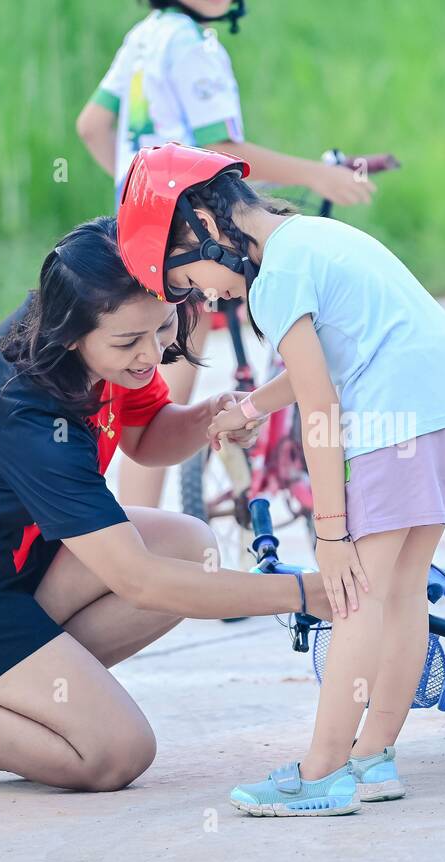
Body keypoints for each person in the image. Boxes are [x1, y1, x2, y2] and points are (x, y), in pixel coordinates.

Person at [0, 215, 331, 801]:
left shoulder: (94, 336)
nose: (150, 355)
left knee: (190, 547)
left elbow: (147, 433)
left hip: (10, 561)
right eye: (128, 342)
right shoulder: (29, 410)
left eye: (161, 329)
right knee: (116, 754)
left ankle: (2, 716)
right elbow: (139, 580)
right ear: (70, 333)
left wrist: (212, 416)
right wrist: (306, 594)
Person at [117, 143, 445, 816]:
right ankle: (373, 759)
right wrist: (250, 407)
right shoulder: (312, 239)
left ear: (208, 228)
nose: (205, 296)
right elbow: (322, 364)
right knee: (401, 588)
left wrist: (330, 535)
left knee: (354, 592)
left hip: (398, 419)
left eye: (191, 279)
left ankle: (323, 770)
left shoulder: (273, 282)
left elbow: (322, 406)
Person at [76, 0, 377, 510]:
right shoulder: (196, 45)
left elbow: (91, 125)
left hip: (145, 243)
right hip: (190, 246)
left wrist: (141, 204)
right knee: (158, 399)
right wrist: (319, 175)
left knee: (141, 390)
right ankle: (142, 538)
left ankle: (134, 528)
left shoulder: (144, 36)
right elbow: (223, 146)